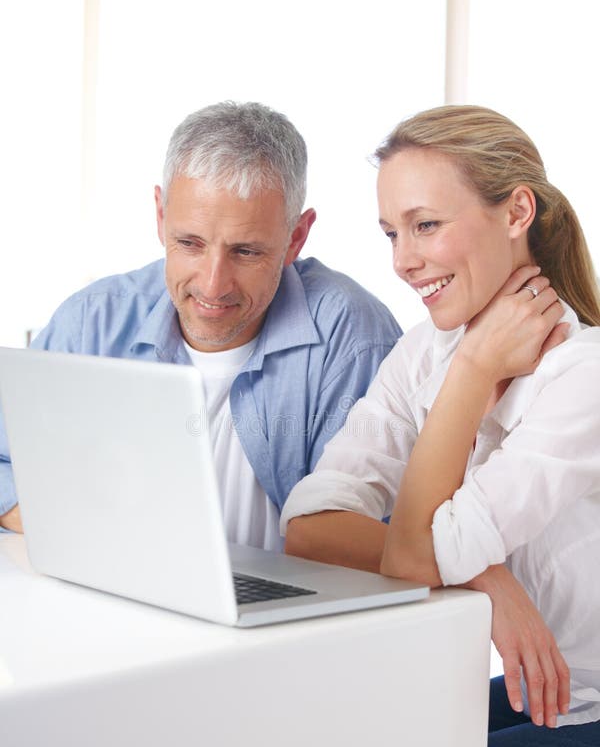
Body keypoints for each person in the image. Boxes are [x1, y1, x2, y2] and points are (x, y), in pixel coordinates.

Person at [282, 105, 600, 747]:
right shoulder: (425, 350)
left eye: (425, 225)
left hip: (592, 712)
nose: (402, 259)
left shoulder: (579, 374)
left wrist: (472, 374)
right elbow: (312, 526)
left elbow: (412, 560)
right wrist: (485, 576)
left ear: (516, 210)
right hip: (559, 697)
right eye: (392, 233)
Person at [0, 101, 401, 546]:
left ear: (296, 238)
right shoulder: (92, 322)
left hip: (291, 612)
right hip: (116, 597)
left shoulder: (351, 337)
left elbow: (376, 535)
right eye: (189, 243)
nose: (212, 285)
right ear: (160, 216)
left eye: (246, 251)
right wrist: (67, 521)